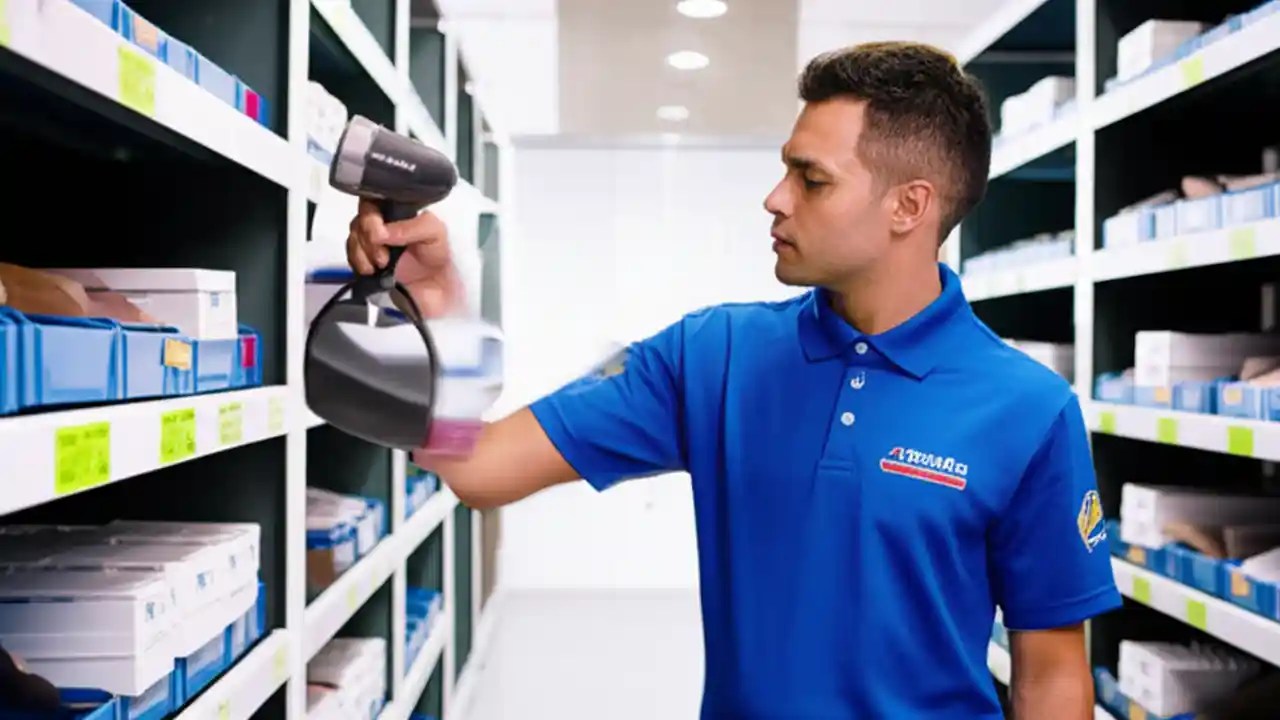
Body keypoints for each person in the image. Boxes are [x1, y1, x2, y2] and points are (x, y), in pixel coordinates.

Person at [347, 41, 1121, 720]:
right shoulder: (709, 354)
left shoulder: (1030, 410)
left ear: (908, 207)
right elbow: (479, 468)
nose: (774, 198)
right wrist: (443, 307)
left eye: (810, 179)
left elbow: (1050, 677)